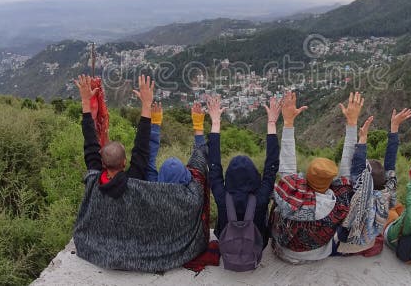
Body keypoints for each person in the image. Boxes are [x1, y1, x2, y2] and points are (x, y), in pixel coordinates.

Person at [72, 75, 210, 272]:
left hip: (95, 249)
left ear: (102, 162)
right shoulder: (136, 183)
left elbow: (90, 145)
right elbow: (142, 150)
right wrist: (146, 105)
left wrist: (86, 103)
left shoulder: (94, 180)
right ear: (124, 162)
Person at [269, 91, 364, 264]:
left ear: (306, 177)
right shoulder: (339, 204)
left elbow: (287, 166)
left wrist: (288, 122)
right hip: (317, 253)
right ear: (331, 183)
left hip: (282, 250)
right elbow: (346, 172)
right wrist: (352, 123)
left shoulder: (289, 191)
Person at [206, 94, 281, 252]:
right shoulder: (261, 197)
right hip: (256, 243)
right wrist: (272, 122)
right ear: (254, 176)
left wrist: (215, 123)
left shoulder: (222, 196)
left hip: (227, 242)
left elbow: (213, 167)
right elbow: (271, 167)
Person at [336, 108, 411, 255]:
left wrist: (363, 137)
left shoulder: (356, 196)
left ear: (364, 181)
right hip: (369, 239)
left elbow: (357, 165)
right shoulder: (388, 190)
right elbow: (390, 162)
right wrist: (394, 128)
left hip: (349, 241)